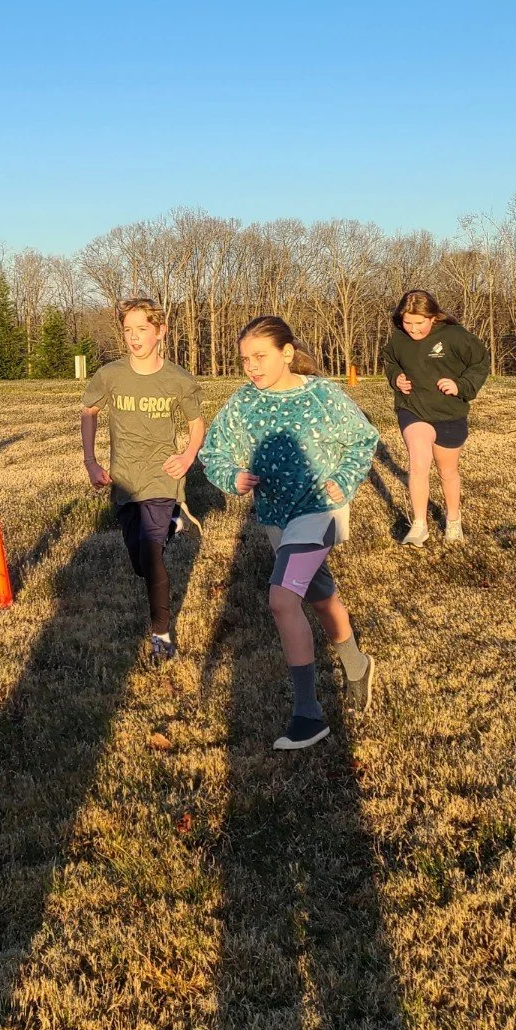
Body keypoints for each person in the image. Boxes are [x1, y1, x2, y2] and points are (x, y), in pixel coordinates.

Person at [200, 315, 377, 751]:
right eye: (245, 360)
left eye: (260, 357)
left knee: (282, 600)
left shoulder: (322, 395)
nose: (252, 367)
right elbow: (213, 451)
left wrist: (345, 478)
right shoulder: (243, 402)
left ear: (287, 353)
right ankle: (356, 664)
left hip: (320, 512)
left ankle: (308, 715)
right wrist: (232, 477)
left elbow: (363, 440)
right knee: (318, 592)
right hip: (275, 516)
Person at [81, 298, 205, 662]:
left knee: (151, 557)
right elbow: (89, 411)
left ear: (160, 332)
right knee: (139, 561)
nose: (134, 337)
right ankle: (175, 523)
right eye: (128, 330)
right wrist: (91, 462)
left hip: (160, 477)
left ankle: (161, 634)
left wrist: (187, 456)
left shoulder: (178, 379)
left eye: (142, 329)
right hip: (124, 479)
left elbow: (196, 424)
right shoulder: (110, 375)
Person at [382, 288, 490, 547]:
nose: (413, 329)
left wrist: (461, 386)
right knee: (418, 462)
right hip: (413, 408)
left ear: (433, 317)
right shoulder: (399, 340)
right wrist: (396, 378)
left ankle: (453, 521)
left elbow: (480, 362)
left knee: (447, 471)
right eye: (407, 322)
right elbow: (390, 361)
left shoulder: (454, 336)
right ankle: (419, 525)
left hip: (449, 412)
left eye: (419, 323)